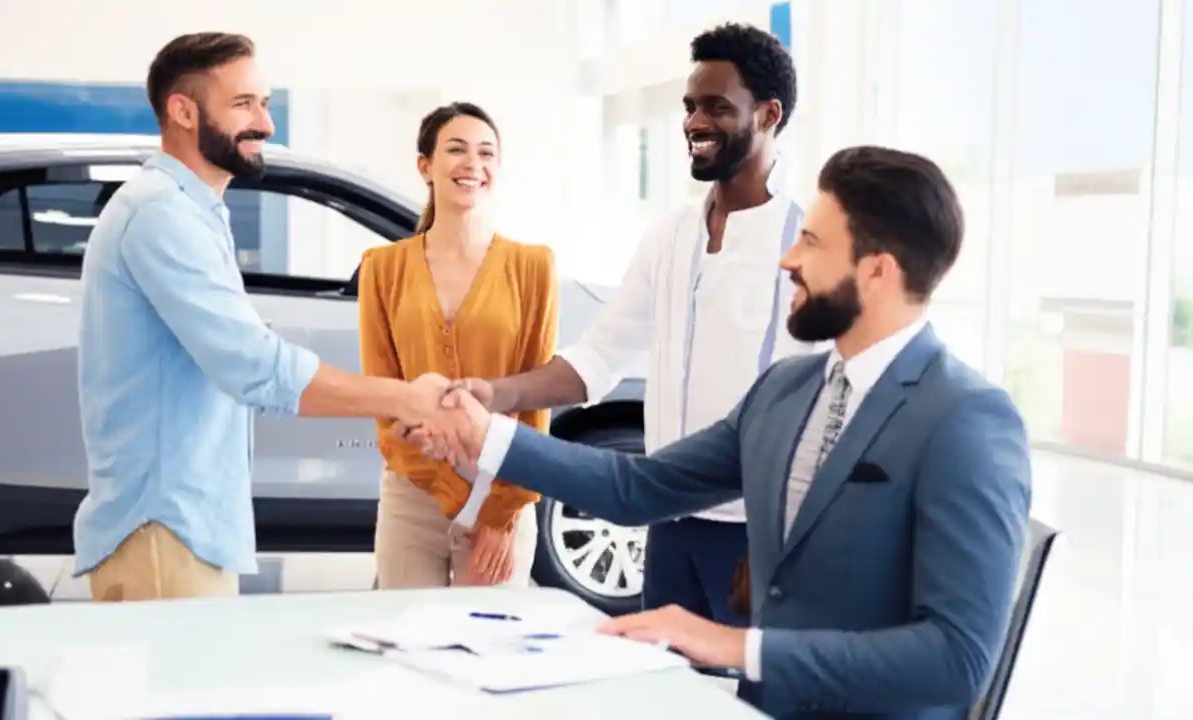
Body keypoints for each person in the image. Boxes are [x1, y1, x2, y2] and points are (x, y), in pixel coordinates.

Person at [416, 145, 1033, 719]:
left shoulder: (967, 420)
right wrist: (485, 436)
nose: (788, 260)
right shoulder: (786, 390)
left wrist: (735, 647)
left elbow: (957, 660)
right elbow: (641, 487)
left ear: (876, 271)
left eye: (811, 243)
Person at [451, 22, 808, 625]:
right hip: (666, 526)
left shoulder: (804, 242)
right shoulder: (669, 235)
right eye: (690, 107)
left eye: (717, 108)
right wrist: (497, 393)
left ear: (769, 114)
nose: (695, 123)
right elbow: (598, 358)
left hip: (755, 534)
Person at [73, 32, 449, 602]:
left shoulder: (193, 212)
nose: (266, 125)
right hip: (164, 533)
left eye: (266, 104)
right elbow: (254, 368)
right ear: (183, 111)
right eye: (244, 104)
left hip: (181, 529)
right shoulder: (160, 215)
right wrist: (404, 399)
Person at [358, 102, 558, 589]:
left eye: (486, 152)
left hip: (502, 492)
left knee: (490, 649)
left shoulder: (533, 266)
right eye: (457, 149)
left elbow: (536, 402)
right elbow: (382, 395)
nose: (473, 163)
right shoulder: (382, 267)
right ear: (425, 166)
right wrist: (450, 490)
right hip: (410, 495)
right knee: (406, 648)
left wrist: (500, 512)